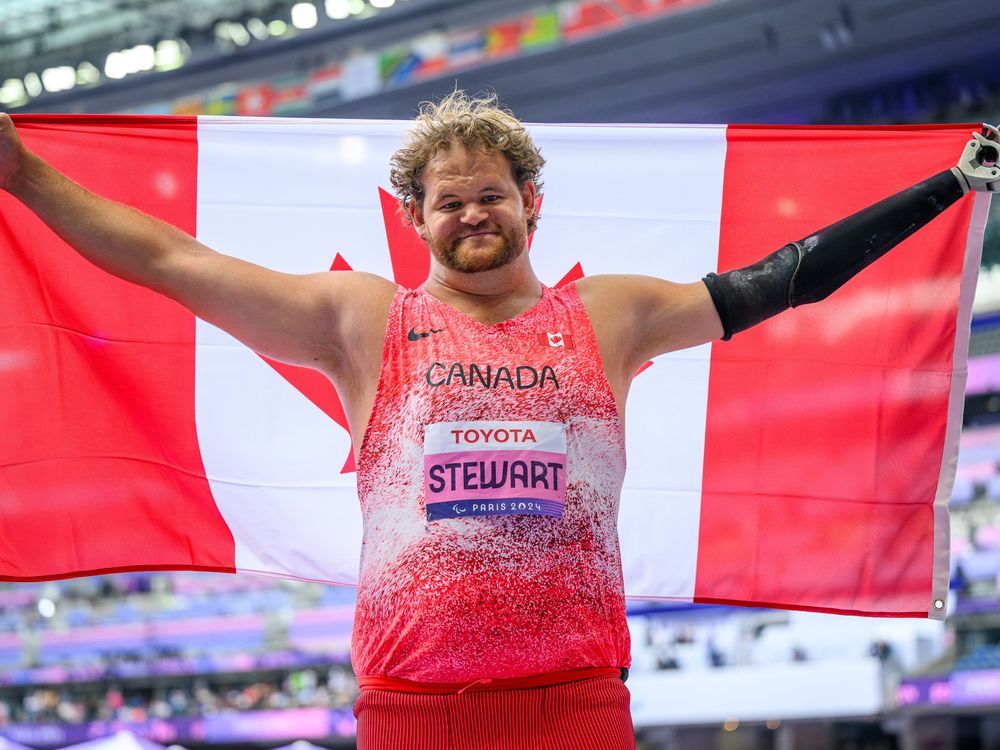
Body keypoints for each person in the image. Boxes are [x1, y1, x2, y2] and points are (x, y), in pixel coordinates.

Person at [0, 93, 997, 750]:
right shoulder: (362, 323)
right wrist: (23, 176)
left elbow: (777, 281)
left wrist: (943, 189)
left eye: (491, 196)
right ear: (411, 218)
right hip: (412, 707)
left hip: (574, 704)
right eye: (448, 203)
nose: (472, 216)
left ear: (532, 202)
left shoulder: (610, 316)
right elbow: (173, 265)